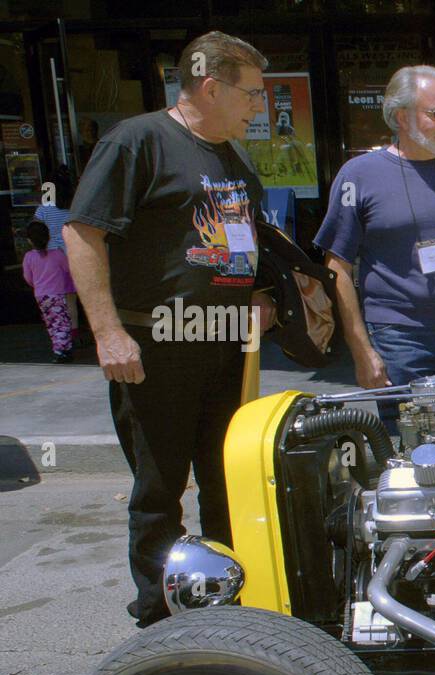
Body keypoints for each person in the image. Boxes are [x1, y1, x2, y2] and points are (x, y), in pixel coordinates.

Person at [64, 30, 274, 629]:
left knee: (227, 481)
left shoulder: (231, 156)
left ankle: (227, 601)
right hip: (158, 346)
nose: (257, 107)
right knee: (160, 492)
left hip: (227, 346)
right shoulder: (138, 141)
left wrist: (259, 293)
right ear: (211, 88)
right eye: (252, 95)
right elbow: (83, 234)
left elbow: (242, 240)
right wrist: (107, 332)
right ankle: (161, 621)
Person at [315, 65, 435, 420]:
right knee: (408, 452)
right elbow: (336, 266)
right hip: (396, 339)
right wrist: (360, 350)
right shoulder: (359, 175)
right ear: (401, 117)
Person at [34, 166, 80, 342]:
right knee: (71, 299)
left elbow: (37, 229)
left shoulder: (44, 208)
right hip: (73, 255)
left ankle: (60, 335)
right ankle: (75, 332)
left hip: (51, 258)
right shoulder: (74, 206)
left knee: (55, 299)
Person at [21, 220, 76, 362]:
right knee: (62, 320)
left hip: (41, 295)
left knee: (51, 321)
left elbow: (28, 277)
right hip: (58, 293)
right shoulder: (57, 254)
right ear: (48, 237)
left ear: (29, 240)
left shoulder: (29, 257)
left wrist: (37, 284)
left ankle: (61, 348)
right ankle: (63, 350)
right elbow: (68, 270)